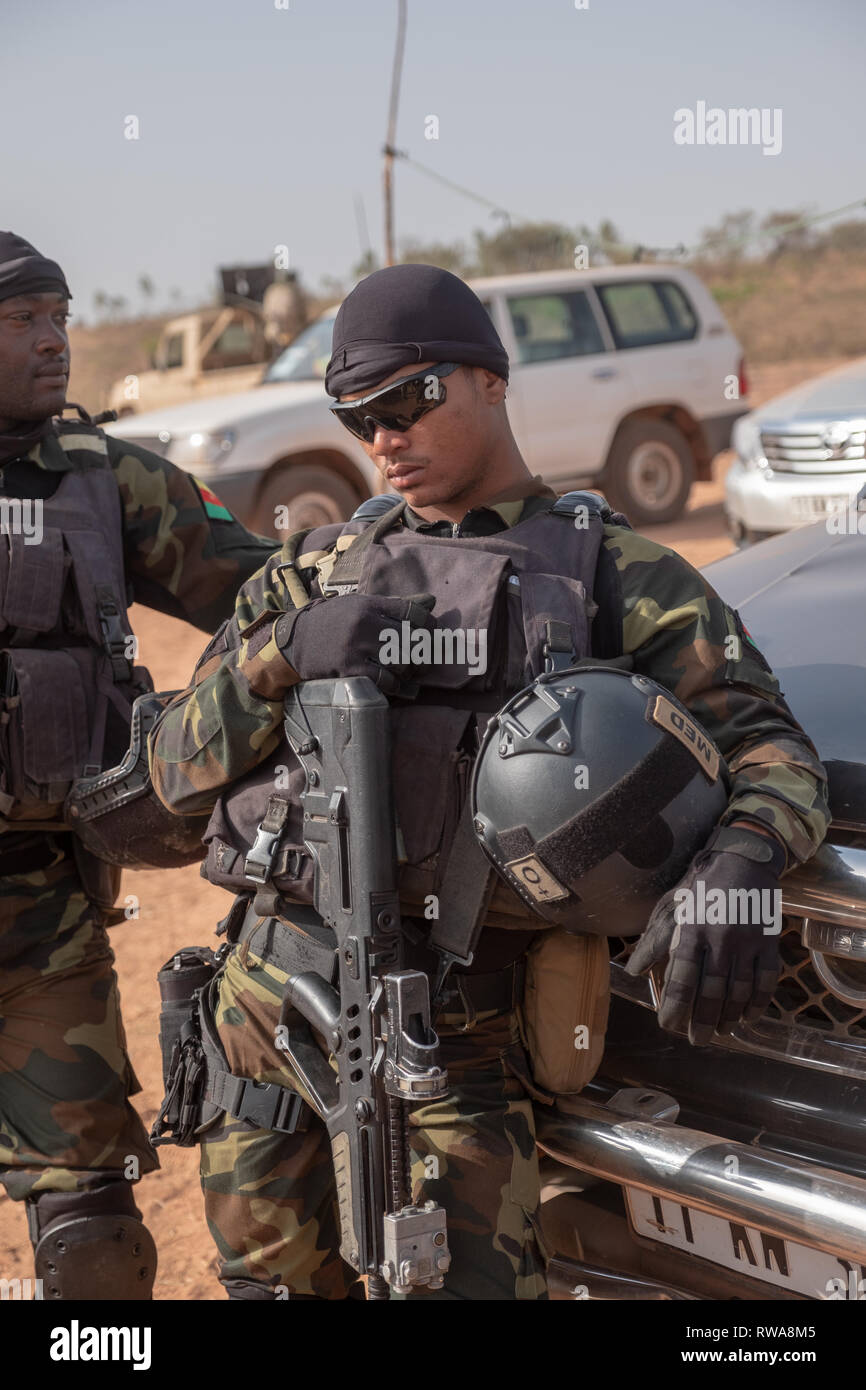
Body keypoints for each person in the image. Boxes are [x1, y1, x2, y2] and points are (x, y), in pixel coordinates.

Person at [149, 263, 830, 1300]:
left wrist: (736, 861)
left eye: (407, 401)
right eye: (356, 415)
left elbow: (772, 754)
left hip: (455, 1044)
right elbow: (170, 773)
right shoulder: (310, 571)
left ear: (491, 380)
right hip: (272, 1014)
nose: (382, 438)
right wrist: (277, 654)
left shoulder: (610, 574)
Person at [0, 232, 277, 1299]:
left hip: (40, 911)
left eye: (59, 318)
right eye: (23, 321)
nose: (54, 343)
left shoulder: (102, 480)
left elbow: (262, 592)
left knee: (92, 1228)